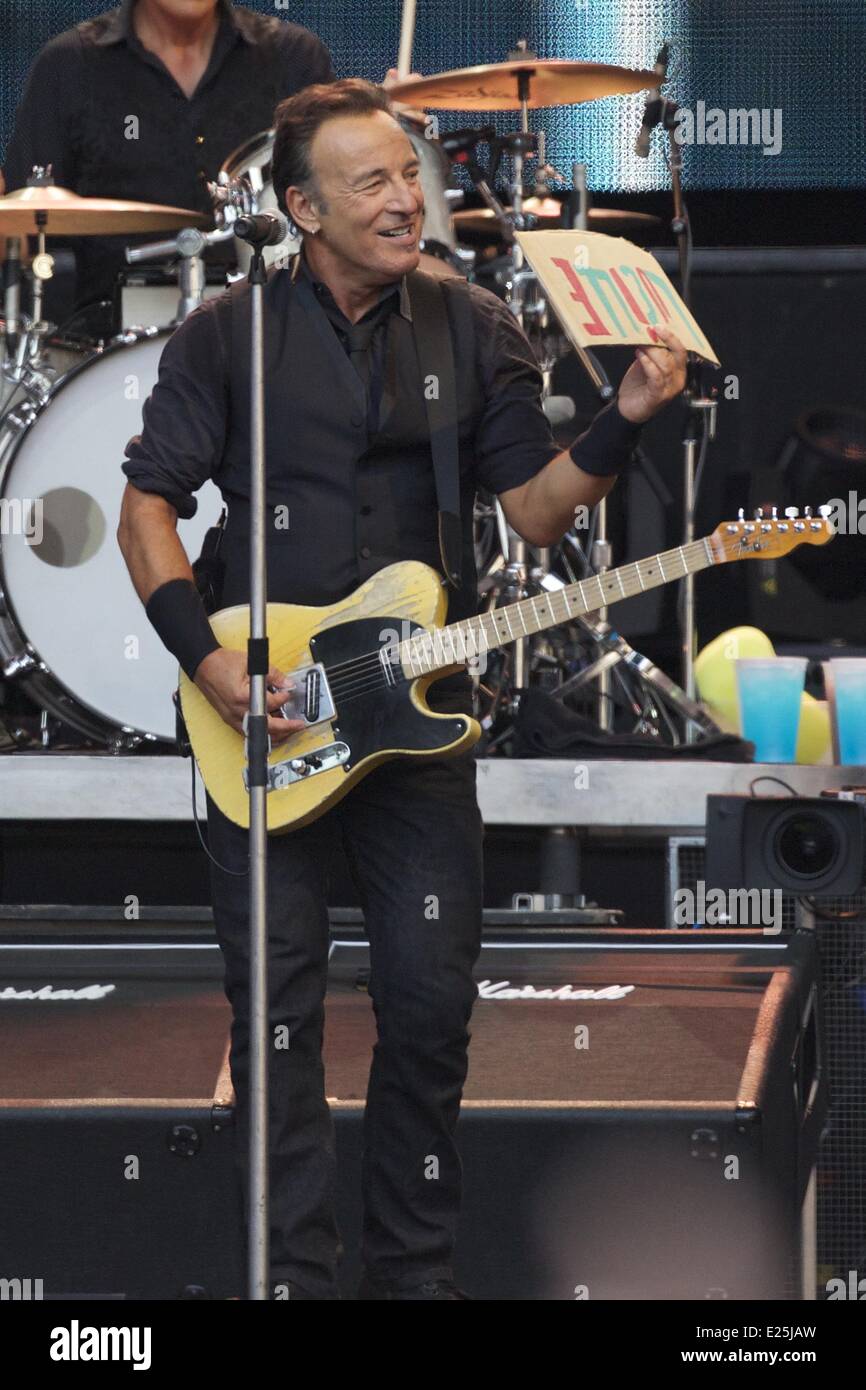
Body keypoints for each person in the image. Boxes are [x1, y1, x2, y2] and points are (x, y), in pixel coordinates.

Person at [117, 78, 687, 1300]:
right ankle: (291, 1283)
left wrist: (623, 416)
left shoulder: (468, 321)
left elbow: (532, 507)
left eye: (405, 176)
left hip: (419, 724)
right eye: (367, 181)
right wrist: (209, 668)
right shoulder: (227, 331)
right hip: (263, 717)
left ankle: (412, 1280)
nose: (401, 199)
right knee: (275, 1020)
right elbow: (146, 510)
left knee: (428, 1010)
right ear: (299, 208)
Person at [0, 0, 334, 321]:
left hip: (275, 325)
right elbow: (23, 227)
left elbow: (338, 206)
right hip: (106, 348)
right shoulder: (70, 64)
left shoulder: (293, 57)